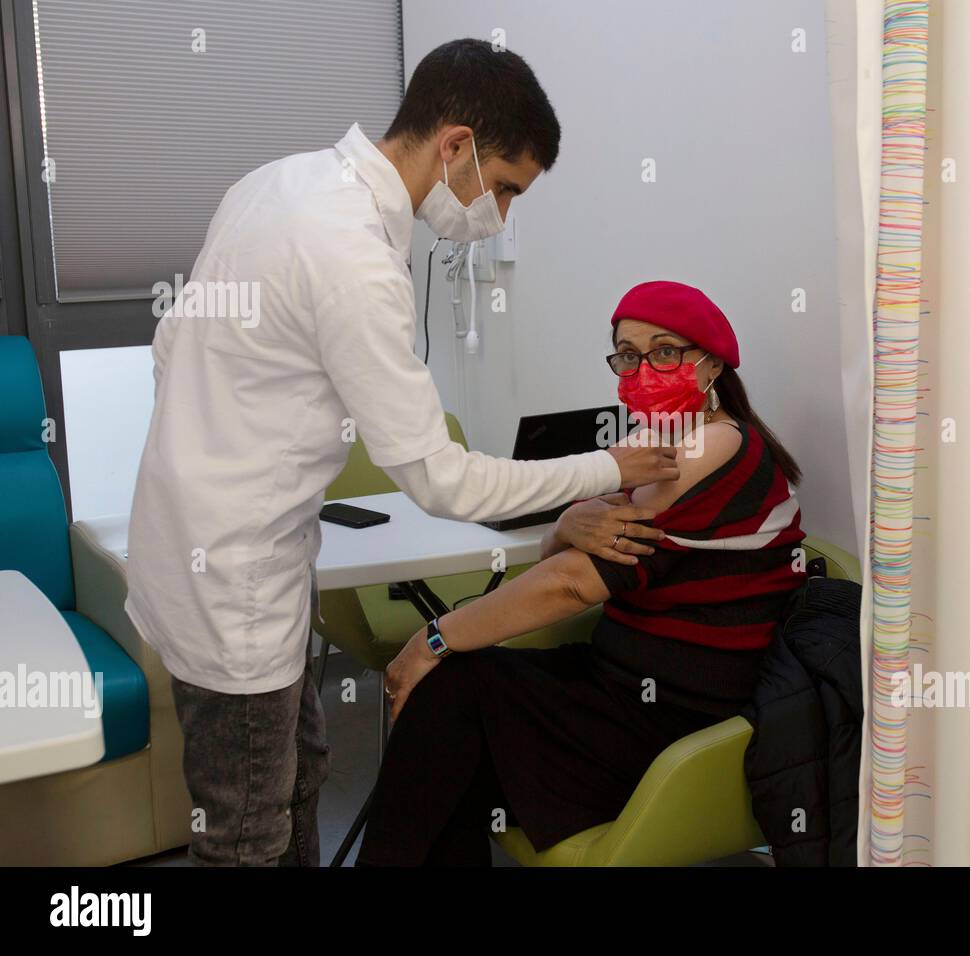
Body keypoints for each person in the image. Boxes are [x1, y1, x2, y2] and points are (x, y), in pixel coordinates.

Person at [124, 40, 677, 867]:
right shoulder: (352, 258)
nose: (503, 216)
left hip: (200, 546)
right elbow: (442, 480)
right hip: (234, 584)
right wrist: (610, 468)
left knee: (297, 776)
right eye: (507, 189)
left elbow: (171, 347)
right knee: (245, 832)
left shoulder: (277, 183)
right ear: (455, 146)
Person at [356, 280, 806, 866]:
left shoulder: (714, 445)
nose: (644, 369)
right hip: (615, 678)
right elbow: (561, 553)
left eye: (666, 351)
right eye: (628, 354)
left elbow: (573, 582)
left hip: (677, 716)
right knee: (454, 718)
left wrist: (430, 638)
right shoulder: (656, 442)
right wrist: (568, 523)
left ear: (712, 362)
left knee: (450, 694)